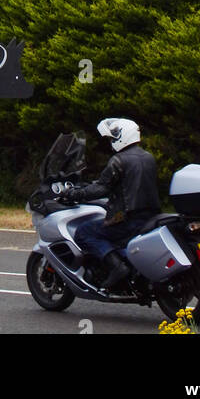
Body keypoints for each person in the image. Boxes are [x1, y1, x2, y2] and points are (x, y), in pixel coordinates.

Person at [73, 117, 161, 292]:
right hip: (151, 217)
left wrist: (77, 193)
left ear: (122, 136)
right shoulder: (148, 157)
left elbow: (102, 188)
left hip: (128, 218)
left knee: (84, 232)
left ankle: (116, 266)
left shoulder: (119, 160)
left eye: (113, 137)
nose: (112, 141)